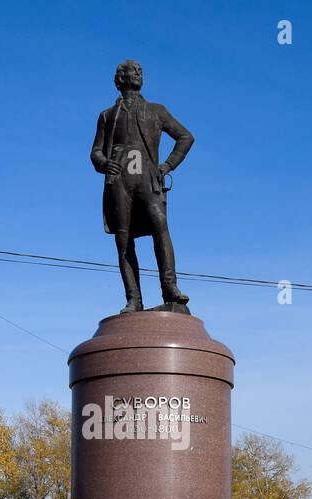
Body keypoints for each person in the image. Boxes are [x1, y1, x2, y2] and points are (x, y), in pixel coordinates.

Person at [90, 59, 194, 313]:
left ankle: (170, 288)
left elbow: (185, 136)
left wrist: (167, 166)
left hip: (149, 180)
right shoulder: (107, 115)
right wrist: (104, 163)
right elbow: (95, 152)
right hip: (119, 183)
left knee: (161, 229)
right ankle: (134, 299)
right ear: (119, 80)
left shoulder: (156, 111)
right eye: (130, 71)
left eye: (139, 71)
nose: (136, 73)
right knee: (124, 240)